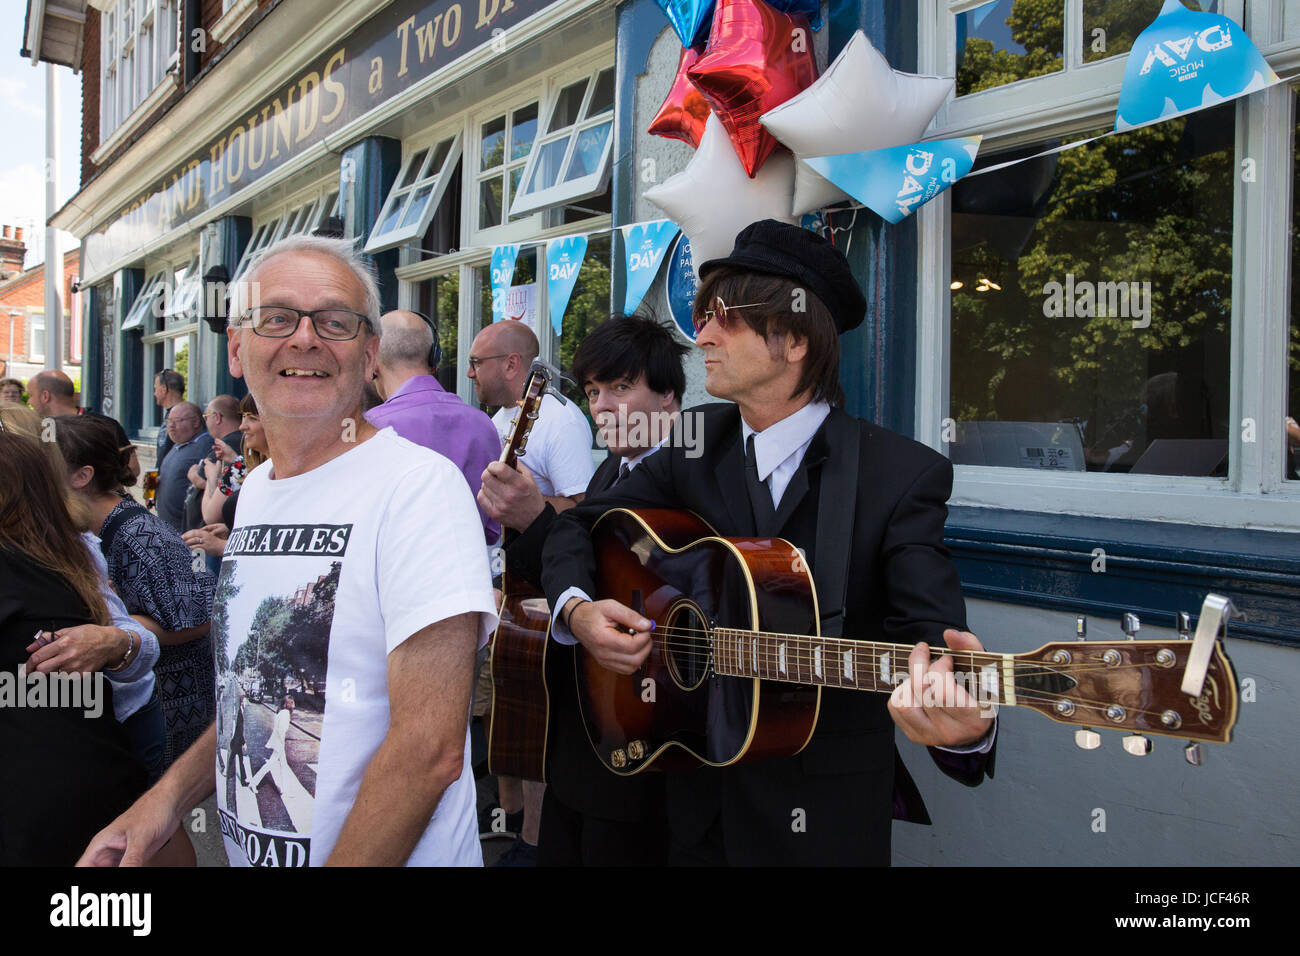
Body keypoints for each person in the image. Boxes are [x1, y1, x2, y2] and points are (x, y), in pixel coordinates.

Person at [541, 221, 997, 866]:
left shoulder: (900, 474)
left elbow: (934, 641)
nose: (701, 337)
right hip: (694, 801)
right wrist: (579, 611)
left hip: (824, 827)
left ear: (793, 341)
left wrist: (965, 729)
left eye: (724, 319)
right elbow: (581, 522)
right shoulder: (694, 437)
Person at [80, 234, 497, 868]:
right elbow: (249, 692)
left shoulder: (418, 488)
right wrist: (163, 800)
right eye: (277, 317)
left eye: (335, 321)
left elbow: (429, 748)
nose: (305, 339)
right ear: (238, 348)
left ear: (369, 354)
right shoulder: (264, 494)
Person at [479, 313, 686, 866]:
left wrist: (534, 516)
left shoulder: (687, 473)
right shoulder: (608, 473)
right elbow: (570, 557)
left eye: (621, 386)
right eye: (593, 390)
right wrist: (527, 524)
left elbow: (631, 580)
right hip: (582, 730)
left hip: (638, 736)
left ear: (669, 397)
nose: (601, 405)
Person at [466, 318, 595, 863]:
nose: (470, 372)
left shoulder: (559, 422)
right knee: (508, 718)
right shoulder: (501, 419)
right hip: (505, 584)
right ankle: (515, 827)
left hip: (543, 592)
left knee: (536, 718)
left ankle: (538, 842)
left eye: (478, 362)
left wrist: (528, 509)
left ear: (513, 365)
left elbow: (586, 507)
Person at [0, 418, 153, 865]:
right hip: (88, 796)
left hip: (53, 809)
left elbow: (182, 623)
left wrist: (120, 644)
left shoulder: (78, 555)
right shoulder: (62, 564)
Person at [53, 414, 217, 770]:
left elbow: (199, 618)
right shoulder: (100, 528)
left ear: (82, 476)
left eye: (43, 468)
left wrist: (112, 632)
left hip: (170, 711)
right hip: (149, 706)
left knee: (156, 813)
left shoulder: (139, 534)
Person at [365, 309, 501, 543]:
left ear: (373, 361)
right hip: (469, 568)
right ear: (434, 358)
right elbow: (492, 527)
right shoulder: (482, 424)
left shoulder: (367, 430)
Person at [184, 393, 268, 559]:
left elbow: (210, 515)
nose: (242, 426)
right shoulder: (247, 465)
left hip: (219, 555)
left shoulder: (241, 466)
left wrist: (211, 477)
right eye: (243, 417)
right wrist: (231, 529)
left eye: (251, 418)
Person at [27, 368, 140, 483]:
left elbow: (132, 469)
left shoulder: (104, 425)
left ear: (45, 396)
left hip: (94, 499)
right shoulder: (40, 429)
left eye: (31, 395)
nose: (29, 402)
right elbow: (132, 468)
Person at [154, 400, 212, 531]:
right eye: (169, 421)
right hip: (168, 529)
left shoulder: (206, 446)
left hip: (188, 532)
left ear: (196, 422)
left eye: (177, 421)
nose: (171, 426)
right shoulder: (177, 445)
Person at [153, 369, 186, 466]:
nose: (154, 394)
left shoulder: (184, 417)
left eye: (156, 389)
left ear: (163, 389)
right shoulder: (169, 414)